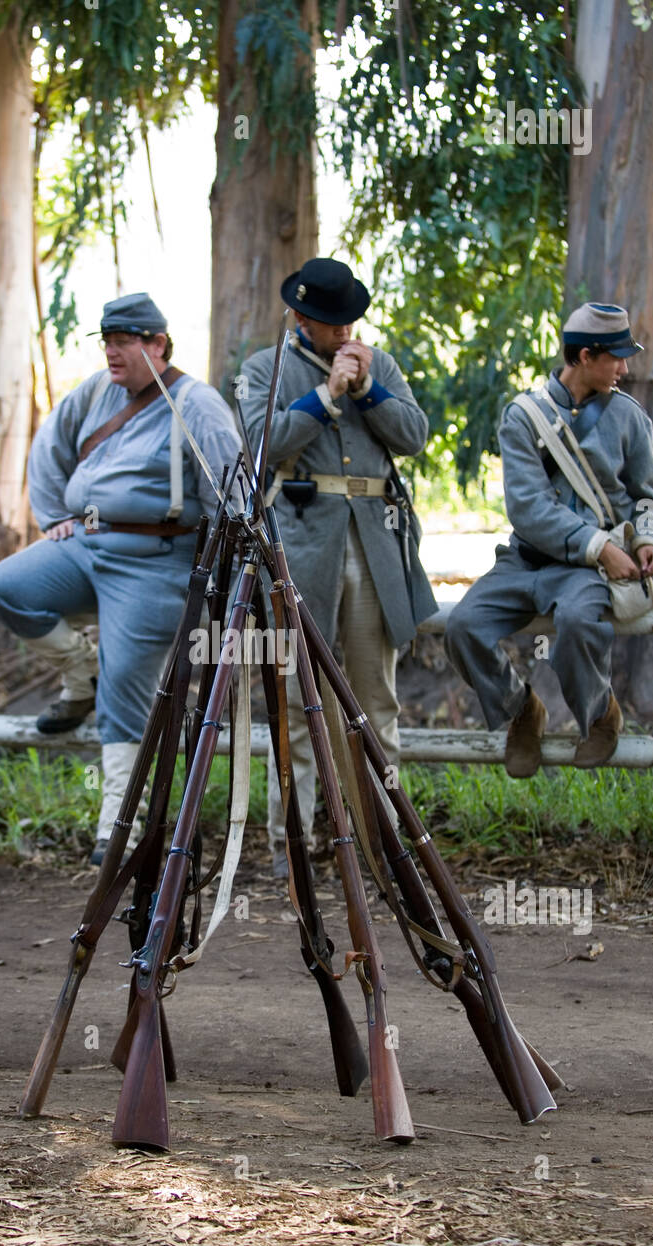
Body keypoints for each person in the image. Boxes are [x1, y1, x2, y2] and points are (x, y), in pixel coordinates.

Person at [0, 292, 242, 863]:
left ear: (158, 344)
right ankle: (80, 674)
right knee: (6, 590)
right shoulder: (97, 392)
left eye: (124, 342)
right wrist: (54, 517)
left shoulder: (197, 405)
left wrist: (214, 576)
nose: (111, 353)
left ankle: (115, 828)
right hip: (84, 545)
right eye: (106, 342)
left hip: (155, 560)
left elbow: (230, 497)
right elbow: (48, 446)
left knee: (125, 678)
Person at [240, 257, 436, 875]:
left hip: (375, 547)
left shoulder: (382, 365)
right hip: (300, 549)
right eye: (331, 322)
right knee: (297, 701)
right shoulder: (263, 368)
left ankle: (384, 843)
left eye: (350, 318)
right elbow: (261, 446)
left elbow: (414, 435)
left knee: (375, 698)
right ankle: (290, 843)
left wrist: (368, 389)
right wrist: (325, 397)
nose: (345, 330)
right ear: (300, 318)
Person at [445, 302, 653, 776]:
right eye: (616, 358)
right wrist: (600, 547)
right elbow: (528, 508)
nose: (625, 369)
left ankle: (599, 713)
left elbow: (647, 496)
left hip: (582, 573)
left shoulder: (630, 418)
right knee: (463, 627)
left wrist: (649, 539)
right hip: (527, 562)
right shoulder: (524, 417)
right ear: (585, 356)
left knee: (580, 625)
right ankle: (522, 707)